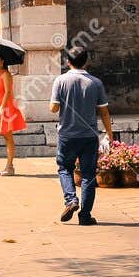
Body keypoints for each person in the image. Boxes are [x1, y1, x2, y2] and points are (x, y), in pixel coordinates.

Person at [51, 47, 114, 224]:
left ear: (67, 62)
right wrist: (109, 133)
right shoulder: (95, 83)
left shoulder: (60, 81)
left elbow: (53, 108)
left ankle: (71, 200)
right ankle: (85, 215)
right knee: (88, 175)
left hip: (67, 135)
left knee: (65, 168)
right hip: (89, 135)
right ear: (86, 62)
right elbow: (104, 112)